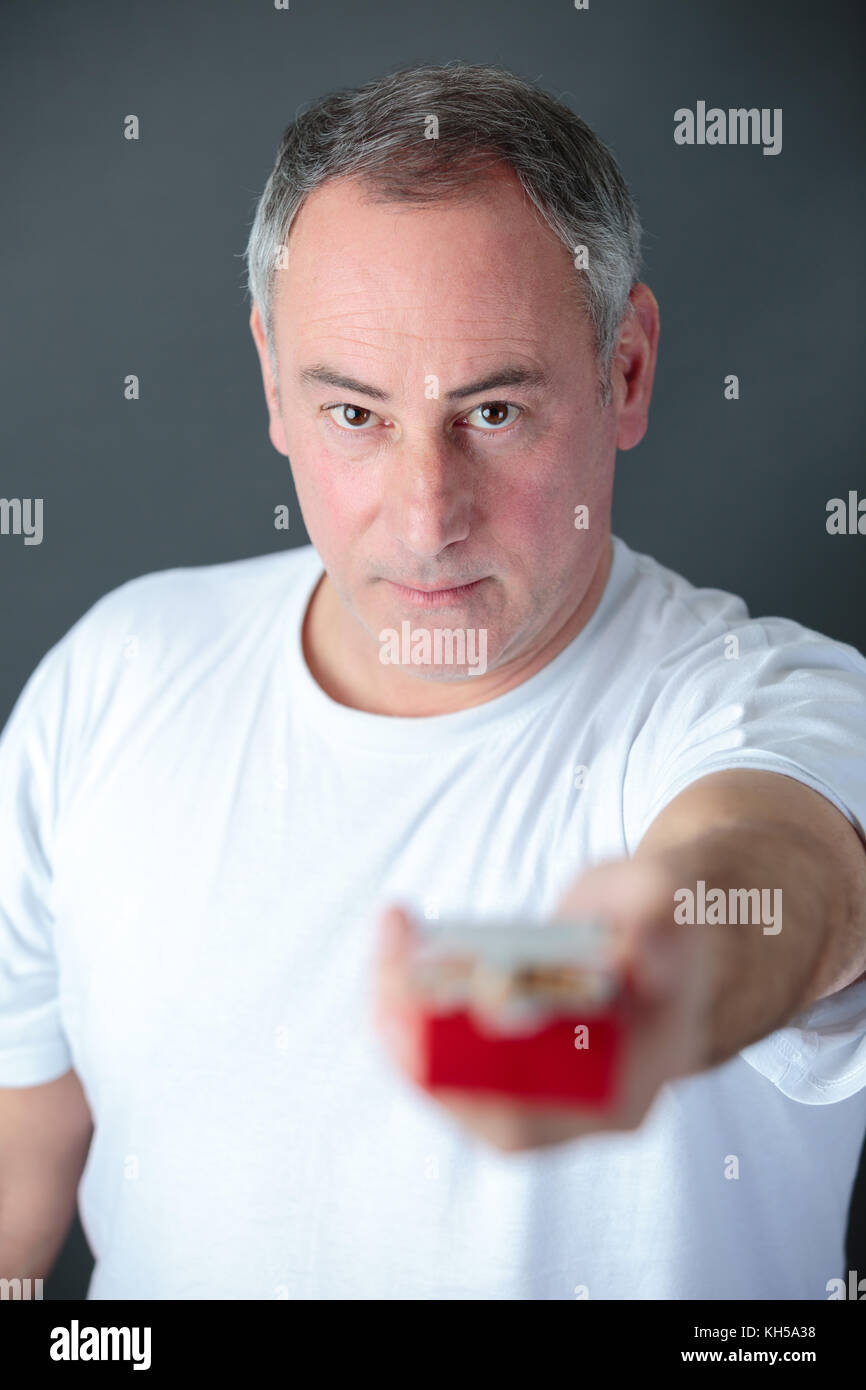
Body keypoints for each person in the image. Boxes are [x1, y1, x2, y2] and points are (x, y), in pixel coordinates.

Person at [2, 61, 865, 1302]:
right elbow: (19, 1173)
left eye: (495, 411)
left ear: (623, 370)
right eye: (353, 414)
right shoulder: (113, 677)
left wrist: (653, 974)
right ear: (270, 382)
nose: (425, 517)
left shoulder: (767, 699)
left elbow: (781, 875)